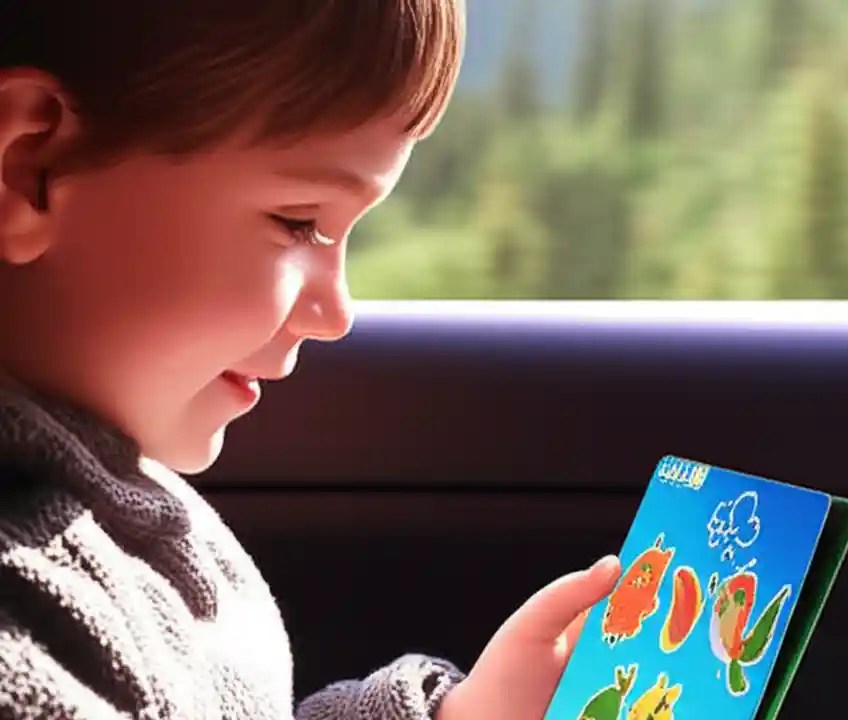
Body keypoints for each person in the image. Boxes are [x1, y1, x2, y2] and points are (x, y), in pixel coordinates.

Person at [0, 1, 622, 717]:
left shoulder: (110, 497)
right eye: (299, 223)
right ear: (31, 168)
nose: (337, 313)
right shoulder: (22, 618)